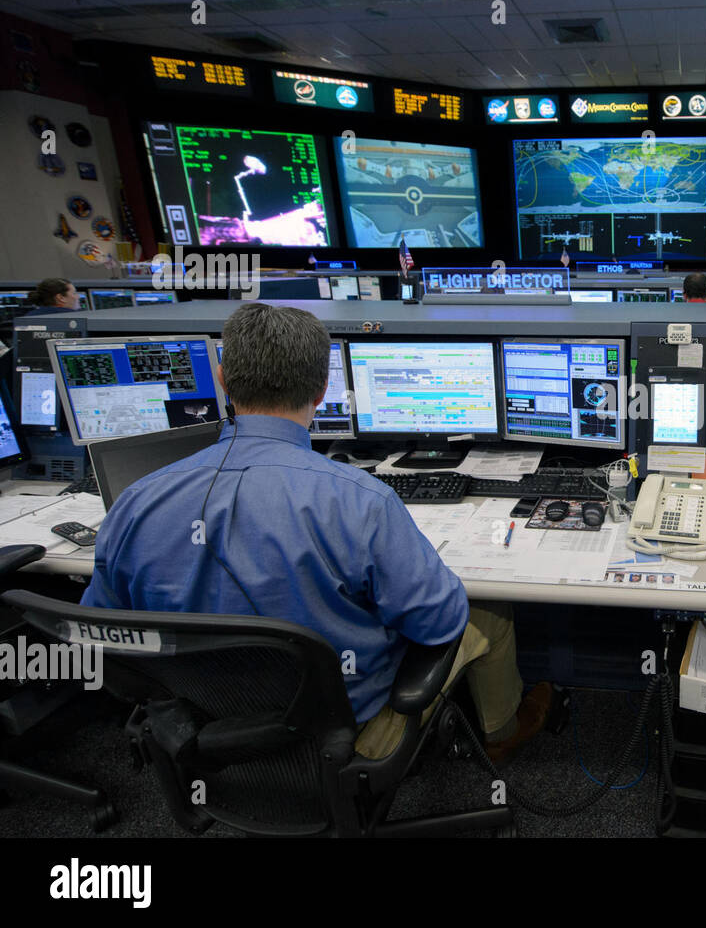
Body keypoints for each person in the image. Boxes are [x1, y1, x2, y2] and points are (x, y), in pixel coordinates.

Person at [81, 303, 551, 763]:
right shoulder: (360, 500)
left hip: (204, 734)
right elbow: (439, 624)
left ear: (222, 380)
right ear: (323, 390)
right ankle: (500, 737)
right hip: (345, 733)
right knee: (488, 611)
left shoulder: (136, 502)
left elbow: (104, 637)